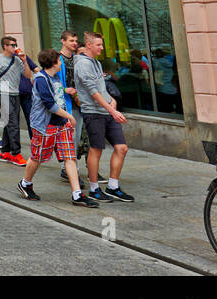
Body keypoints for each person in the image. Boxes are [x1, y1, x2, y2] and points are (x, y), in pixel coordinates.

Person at [18, 49, 98, 208]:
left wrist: (66, 119)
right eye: (59, 61)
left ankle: (77, 194)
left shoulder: (55, 79)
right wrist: (70, 116)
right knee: (37, 157)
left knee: (70, 157)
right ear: (54, 63)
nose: (61, 62)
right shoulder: (41, 79)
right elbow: (50, 104)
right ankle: (25, 183)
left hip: (61, 125)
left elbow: (59, 100)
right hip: (45, 126)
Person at [75, 32, 135, 202]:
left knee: (121, 147)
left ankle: (113, 186)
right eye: (98, 45)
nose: (102, 48)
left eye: (102, 44)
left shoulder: (96, 63)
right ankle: (94, 189)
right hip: (94, 113)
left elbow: (101, 88)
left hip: (107, 111)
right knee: (96, 150)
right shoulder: (82, 64)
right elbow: (92, 91)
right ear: (88, 45)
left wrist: (112, 100)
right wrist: (112, 109)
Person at [0, 36, 33, 165]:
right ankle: (16, 153)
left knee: (10, 122)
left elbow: (28, 75)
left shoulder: (18, 60)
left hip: (15, 93)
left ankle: (5, 152)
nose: (15, 47)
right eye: (12, 45)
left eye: (16, 44)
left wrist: (24, 61)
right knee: (13, 123)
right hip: (2, 91)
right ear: (5, 46)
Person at [55, 30, 83, 177]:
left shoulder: (77, 59)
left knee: (76, 138)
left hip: (79, 104)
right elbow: (49, 81)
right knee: (69, 138)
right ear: (63, 41)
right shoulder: (57, 59)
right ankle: (69, 169)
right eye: (71, 41)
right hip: (64, 105)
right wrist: (65, 89)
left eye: (75, 41)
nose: (74, 43)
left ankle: (69, 168)